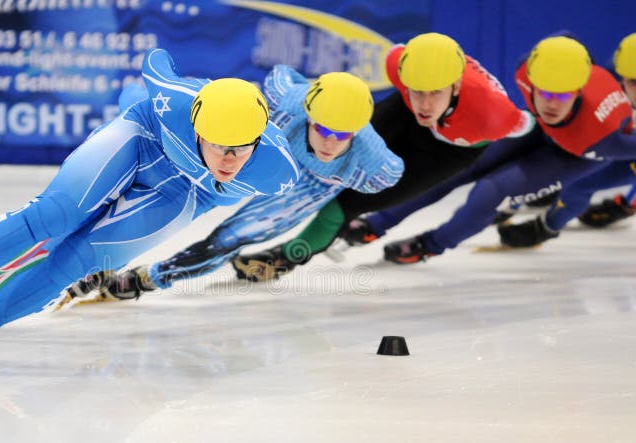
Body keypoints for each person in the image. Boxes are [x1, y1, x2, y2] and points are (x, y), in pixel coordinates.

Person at [0, 48, 300, 359]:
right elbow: (154, 63)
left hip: (185, 193)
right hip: (143, 138)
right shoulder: (172, 101)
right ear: (196, 126)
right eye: (219, 146)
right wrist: (130, 106)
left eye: (241, 150)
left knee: (78, 259)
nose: (229, 161)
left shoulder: (276, 170)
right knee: (56, 215)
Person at [54, 66, 403, 303]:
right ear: (309, 114)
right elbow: (281, 75)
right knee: (173, 204)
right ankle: (103, 259)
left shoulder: (374, 161)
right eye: (323, 128)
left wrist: (337, 195)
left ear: (357, 133)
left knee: (231, 238)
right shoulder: (290, 101)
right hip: (266, 158)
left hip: (310, 185)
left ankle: (146, 279)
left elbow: (394, 178)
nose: (329, 141)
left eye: (341, 135)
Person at [230, 32, 534, 280]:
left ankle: (282, 260)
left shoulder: (495, 114)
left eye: (435, 93)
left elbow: (529, 126)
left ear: (455, 86)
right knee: (342, 158)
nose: (425, 105)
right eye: (417, 90)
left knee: (344, 205)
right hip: (402, 115)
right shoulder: (399, 67)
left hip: (450, 151)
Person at [378, 35, 635, 263]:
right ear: (531, 83)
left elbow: (583, 186)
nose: (551, 105)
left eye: (563, 96)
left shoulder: (601, 139)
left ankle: (431, 244)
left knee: (491, 191)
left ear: (578, 92)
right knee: (461, 168)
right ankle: (376, 222)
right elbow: (565, 39)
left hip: (576, 153)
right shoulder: (526, 69)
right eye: (545, 92)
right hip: (544, 130)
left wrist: (547, 226)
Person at [498, 32, 636, 245]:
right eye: (633, 81)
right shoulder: (620, 66)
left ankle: (544, 228)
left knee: (580, 184)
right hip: (612, 135)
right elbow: (568, 43)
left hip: (621, 145)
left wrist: (626, 204)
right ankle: (536, 197)